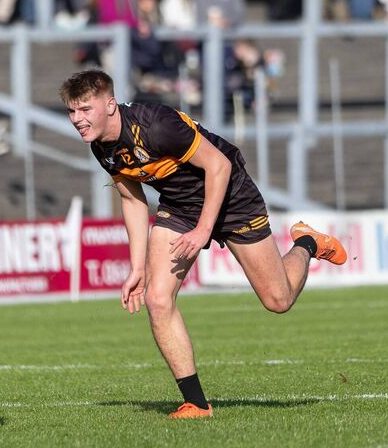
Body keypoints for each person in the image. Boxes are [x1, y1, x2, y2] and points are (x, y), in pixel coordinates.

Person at [60, 70, 347, 418]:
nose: (77, 119)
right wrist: (137, 268)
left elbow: (219, 166)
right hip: (180, 206)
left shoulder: (156, 125)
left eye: (85, 109)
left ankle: (308, 242)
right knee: (157, 298)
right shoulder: (101, 146)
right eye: (72, 111)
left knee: (279, 300)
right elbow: (132, 199)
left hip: (231, 196)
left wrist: (203, 230)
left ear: (109, 104)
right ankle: (196, 403)